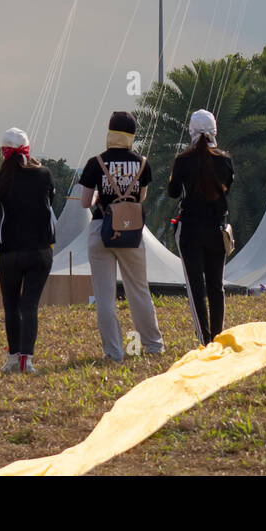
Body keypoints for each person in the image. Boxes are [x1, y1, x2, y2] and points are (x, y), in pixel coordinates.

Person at [79, 110, 165, 363]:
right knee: (138, 290)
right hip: (132, 230)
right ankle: (153, 345)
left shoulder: (96, 163)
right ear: (132, 135)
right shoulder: (142, 163)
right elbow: (140, 198)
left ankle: (114, 352)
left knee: (104, 295)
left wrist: (99, 198)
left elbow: (85, 202)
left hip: (101, 229)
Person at [0, 127, 56, 374]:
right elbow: (49, 202)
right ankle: (26, 360)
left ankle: (12, 357)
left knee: (11, 305)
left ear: (4, 152)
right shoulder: (44, 174)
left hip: (10, 251)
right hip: (40, 249)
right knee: (30, 305)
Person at [168, 109, 234, 347]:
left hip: (190, 230)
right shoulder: (225, 160)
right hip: (217, 229)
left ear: (191, 131)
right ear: (214, 130)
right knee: (217, 285)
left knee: (196, 287)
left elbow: (173, 192)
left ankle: (204, 339)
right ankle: (217, 336)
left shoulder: (182, 161)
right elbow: (227, 187)